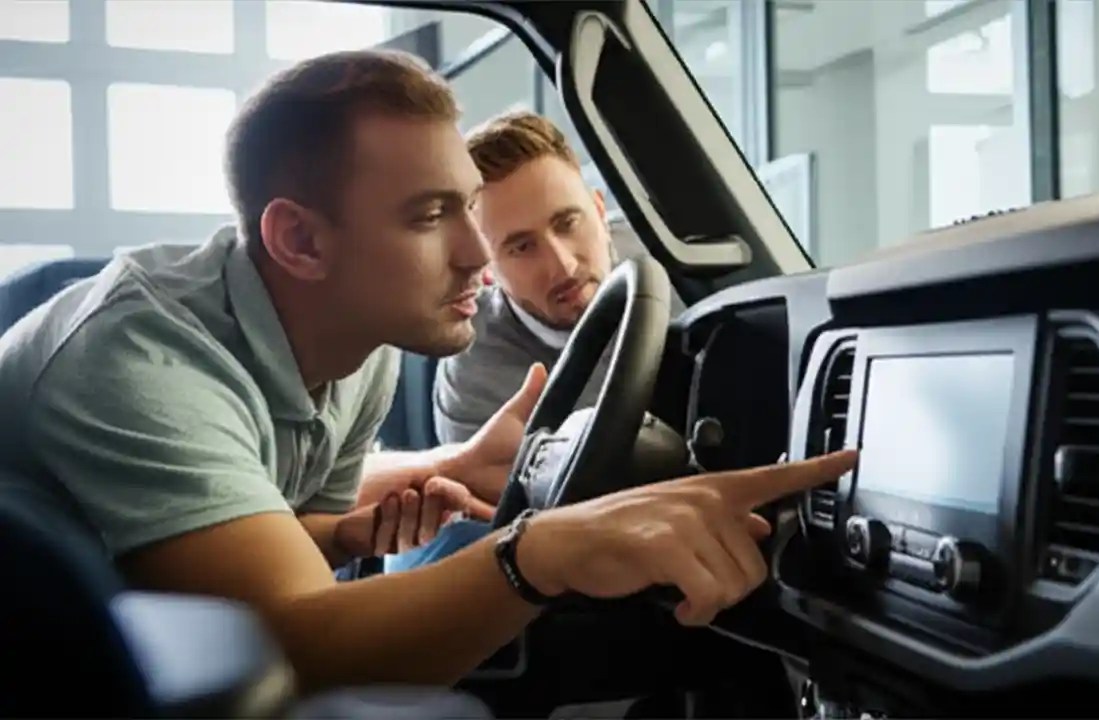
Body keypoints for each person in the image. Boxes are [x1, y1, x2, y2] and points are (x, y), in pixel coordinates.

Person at [0, 48, 855, 691]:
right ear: (300, 240)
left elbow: (272, 529)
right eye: (430, 215)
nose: (479, 254)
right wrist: (541, 552)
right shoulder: (141, 362)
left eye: (469, 207)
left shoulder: (357, 340)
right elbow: (301, 649)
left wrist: (347, 530)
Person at [432, 110, 651, 447]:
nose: (563, 266)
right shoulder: (475, 374)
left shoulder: (679, 268)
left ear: (599, 210)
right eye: (522, 247)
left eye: (567, 224)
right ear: (485, 269)